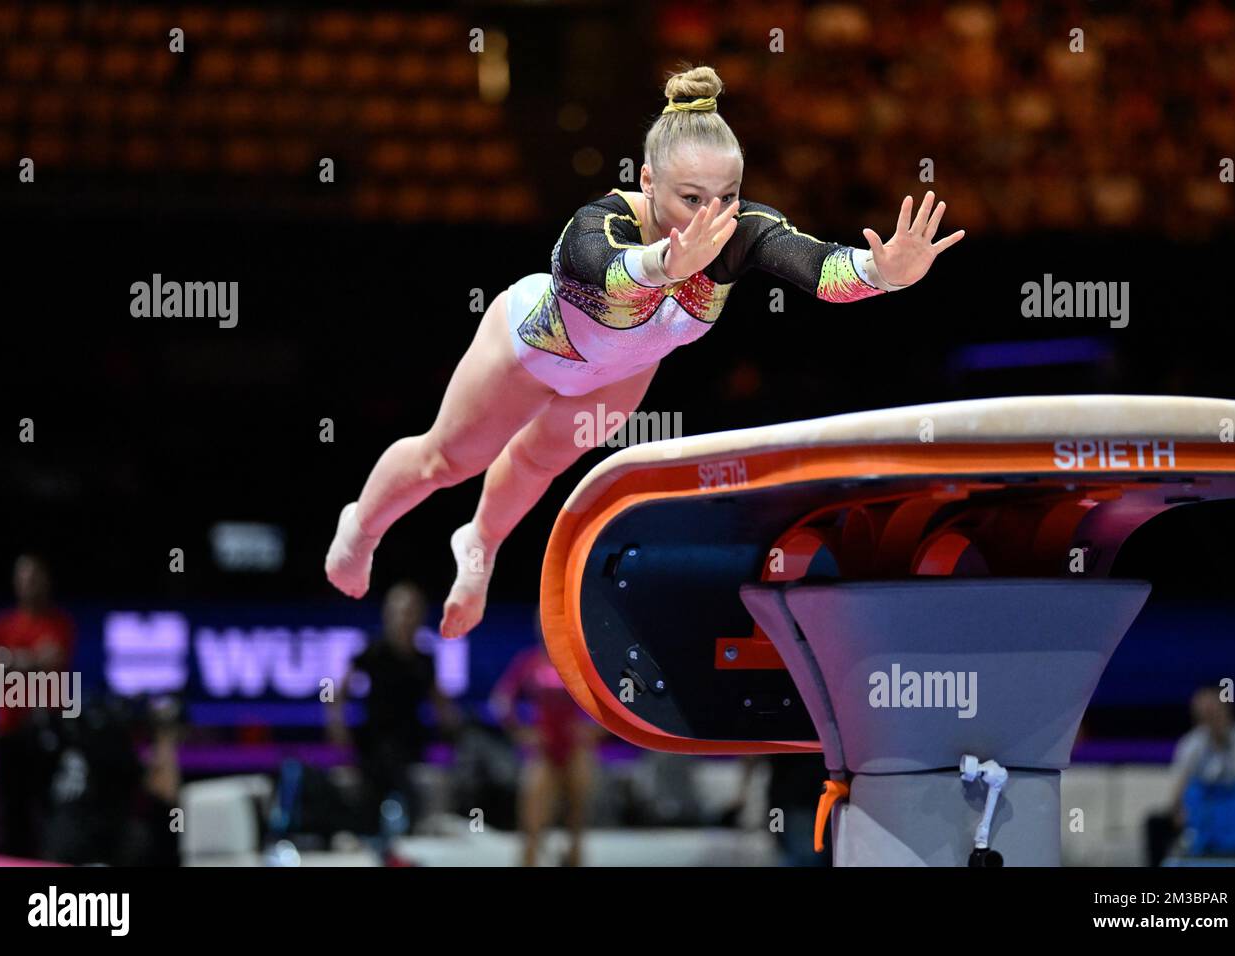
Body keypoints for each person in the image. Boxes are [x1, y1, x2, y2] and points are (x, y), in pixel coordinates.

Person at [324, 64, 965, 635]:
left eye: (728, 197)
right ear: (647, 178)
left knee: (537, 465)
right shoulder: (602, 220)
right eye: (690, 199)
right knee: (451, 459)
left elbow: (819, 267)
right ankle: (362, 526)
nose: (709, 216)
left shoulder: (741, 233)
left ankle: (480, 546)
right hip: (531, 347)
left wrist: (882, 275)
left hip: (618, 374)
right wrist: (663, 263)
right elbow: (586, 267)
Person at [327, 581, 456, 835]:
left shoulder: (424, 660)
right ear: (388, 614)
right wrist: (335, 721)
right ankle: (369, 833)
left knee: (399, 766)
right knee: (381, 768)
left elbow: (440, 701)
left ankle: (409, 835)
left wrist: (452, 725)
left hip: (410, 740)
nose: (404, 619)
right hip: (373, 739)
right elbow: (336, 691)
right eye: (399, 611)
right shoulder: (372, 652)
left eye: (411, 612)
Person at [0, 553, 76, 858]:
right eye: (23, 578)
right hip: (9, 731)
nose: (29, 584)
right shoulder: (0, 624)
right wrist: (31, 659)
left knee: (50, 807)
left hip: (49, 731)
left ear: (45, 581)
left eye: (34, 577)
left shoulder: (60, 623)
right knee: (13, 812)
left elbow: (54, 662)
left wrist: (10, 660)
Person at [490, 617, 602, 866]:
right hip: (543, 751)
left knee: (577, 820)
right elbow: (501, 701)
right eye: (540, 622)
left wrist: (595, 731)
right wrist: (521, 732)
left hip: (574, 748)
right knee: (532, 820)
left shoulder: (578, 660)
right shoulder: (528, 663)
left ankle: (573, 859)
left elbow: (613, 700)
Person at [1146, 686, 1235, 864]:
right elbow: (1179, 787)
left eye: (1215, 711)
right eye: (1205, 713)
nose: (1211, 718)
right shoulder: (1191, 744)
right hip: (1201, 816)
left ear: (1227, 709)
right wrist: (1177, 810)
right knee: (1155, 822)